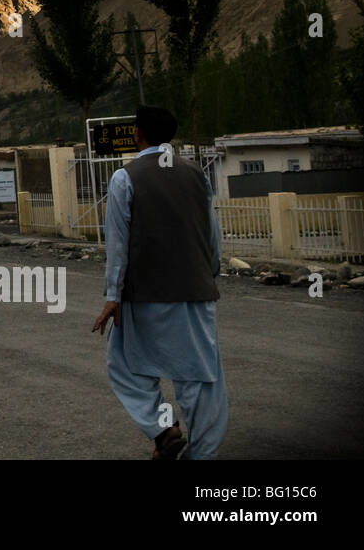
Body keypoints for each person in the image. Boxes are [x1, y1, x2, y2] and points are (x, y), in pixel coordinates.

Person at [93, 105, 227, 460]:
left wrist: (112, 296)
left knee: (124, 365)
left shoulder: (126, 177)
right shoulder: (198, 175)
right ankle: (201, 453)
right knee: (199, 378)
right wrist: (206, 274)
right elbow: (212, 235)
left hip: (146, 295)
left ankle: (163, 429)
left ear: (138, 134)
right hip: (197, 292)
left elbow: (117, 244)